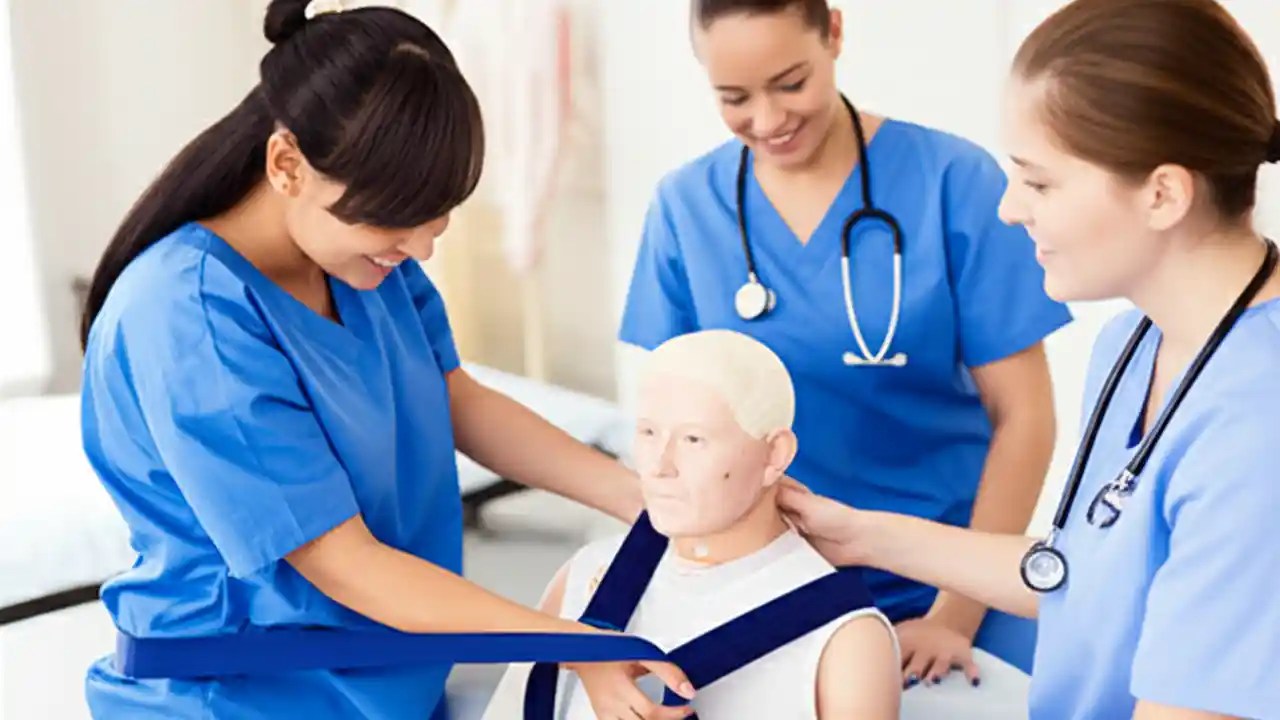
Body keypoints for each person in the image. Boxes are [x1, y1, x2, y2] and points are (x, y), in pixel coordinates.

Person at [77, 2, 695, 718]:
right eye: (395, 223)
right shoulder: (189, 318)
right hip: (239, 698)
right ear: (287, 165)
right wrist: (573, 643)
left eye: (436, 220)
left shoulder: (364, 255)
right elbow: (346, 565)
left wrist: (639, 496)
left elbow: (452, 397)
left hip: (382, 681)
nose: (421, 250)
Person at [777, 1, 1280, 718]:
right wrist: (859, 533)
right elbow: (1078, 576)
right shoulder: (1135, 345)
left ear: (1163, 193)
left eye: (1039, 182)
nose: (1009, 209)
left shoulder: (1258, 424)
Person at [618, 0, 1071, 687]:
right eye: (734, 98)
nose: (767, 121)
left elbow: (1025, 417)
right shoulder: (686, 207)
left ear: (834, 32)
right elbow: (670, 437)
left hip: (947, 572)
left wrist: (955, 615)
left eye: (791, 83)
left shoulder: (953, 181)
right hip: (759, 582)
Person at [482, 328, 900, 719]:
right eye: (647, 433)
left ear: (774, 455)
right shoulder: (587, 576)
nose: (660, 466)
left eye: (693, 440)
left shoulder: (846, 640)